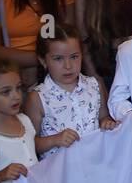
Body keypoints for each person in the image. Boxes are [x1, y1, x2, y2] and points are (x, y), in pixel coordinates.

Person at [24, 24, 116, 162]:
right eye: (58, 59)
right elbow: (28, 144)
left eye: (74, 57)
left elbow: (104, 117)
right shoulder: (38, 98)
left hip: (96, 165)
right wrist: (54, 140)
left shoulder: (94, 85)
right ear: (43, 61)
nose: (68, 66)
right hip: (59, 175)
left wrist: (107, 123)